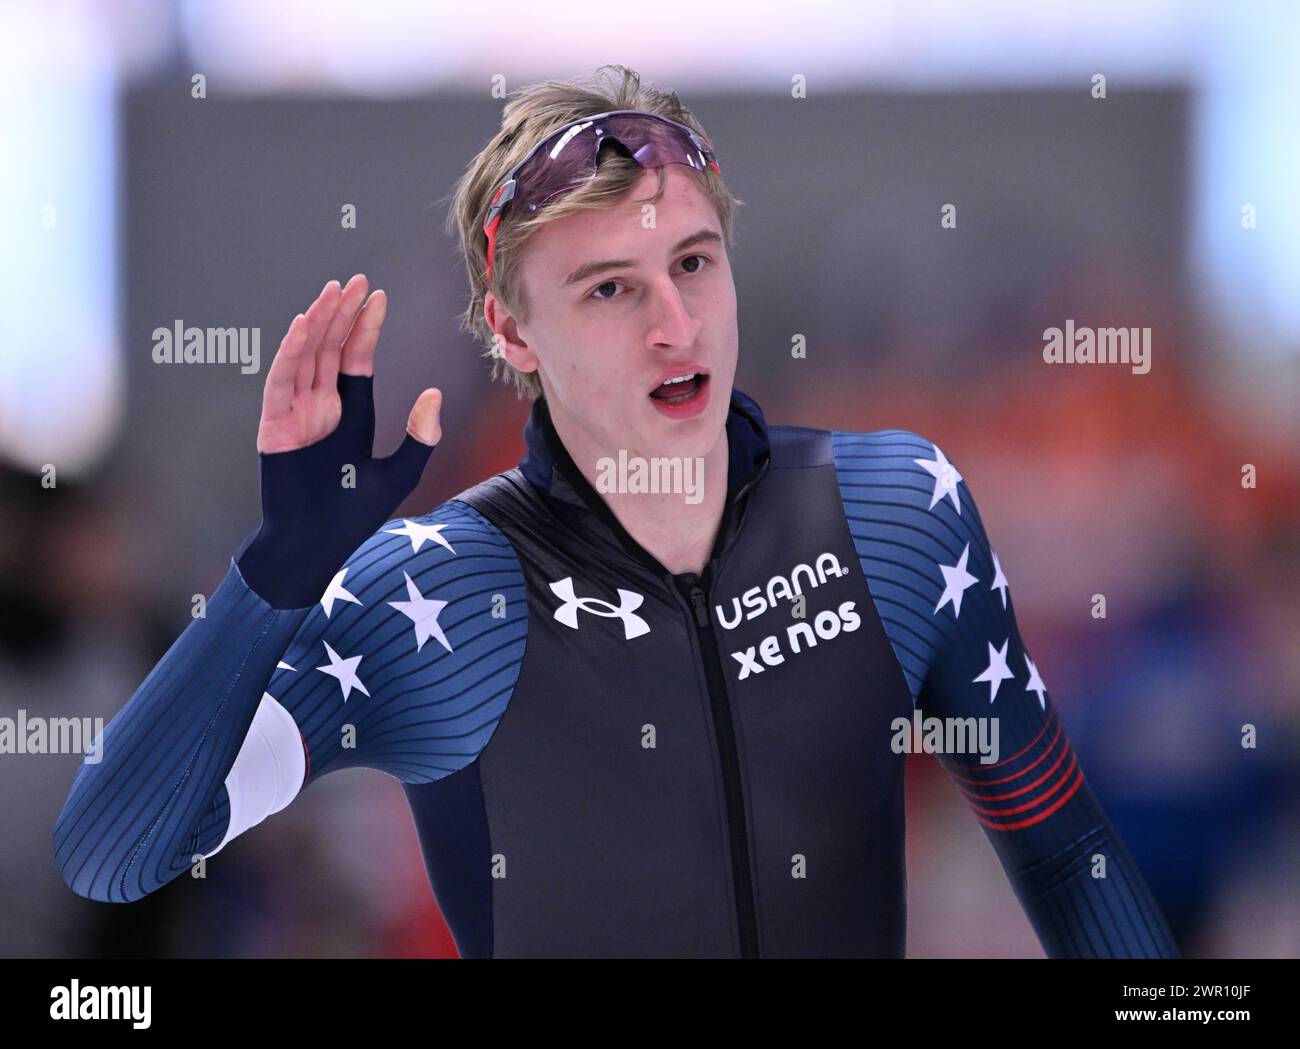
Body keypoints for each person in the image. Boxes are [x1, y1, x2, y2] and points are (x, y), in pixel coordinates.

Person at [54, 65, 1178, 959]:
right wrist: (281, 568)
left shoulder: (891, 511)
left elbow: (1060, 840)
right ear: (513, 335)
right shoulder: (438, 590)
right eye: (608, 288)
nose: (674, 323)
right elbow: (112, 852)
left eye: (694, 261)